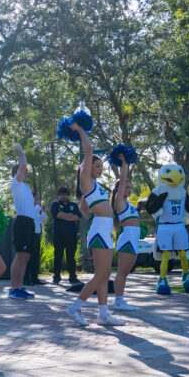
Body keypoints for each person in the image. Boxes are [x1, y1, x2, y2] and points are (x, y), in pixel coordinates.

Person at [66, 124, 125, 326]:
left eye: (101, 166)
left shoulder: (95, 186)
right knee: (100, 275)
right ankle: (75, 307)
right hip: (99, 230)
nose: (100, 169)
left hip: (103, 230)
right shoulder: (86, 181)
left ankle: (103, 314)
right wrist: (81, 130)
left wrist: (88, 214)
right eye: (97, 166)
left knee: (105, 274)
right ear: (86, 166)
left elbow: (83, 208)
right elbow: (89, 149)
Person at [110, 154, 139, 311]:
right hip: (127, 238)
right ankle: (118, 301)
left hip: (133, 240)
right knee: (121, 272)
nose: (129, 189)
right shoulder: (119, 201)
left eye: (130, 187)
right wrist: (123, 163)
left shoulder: (129, 203)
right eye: (126, 187)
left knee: (126, 272)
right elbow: (122, 180)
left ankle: (120, 299)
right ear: (119, 189)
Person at [8, 144, 36, 299]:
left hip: (30, 223)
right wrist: (20, 150)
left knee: (26, 257)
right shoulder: (16, 184)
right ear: (18, 172)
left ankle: (19, 287)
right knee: (19, 256)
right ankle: (13, 289)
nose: (25, 172)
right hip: (22, 223)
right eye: (23, 171)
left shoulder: (26, 187)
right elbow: (23, 165)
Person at [50, 187, 82, 284]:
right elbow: (58, 215)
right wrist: (70, 216)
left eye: (65, 194)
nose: (63, 196)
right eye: (61, 194)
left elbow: (77, 217)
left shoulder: (74, 205)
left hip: (72, 235)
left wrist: (64, 214)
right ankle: (56, 277)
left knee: (71, 257)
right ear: (58, 195)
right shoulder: (55, 204)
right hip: (58, 235)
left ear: (68, 195)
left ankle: (72, 277)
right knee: (58, 256)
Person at [24, 193, 47, 285]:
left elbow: (41, 221)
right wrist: (38, 207)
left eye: (38, 199)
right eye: (36, 199)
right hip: (30, 235)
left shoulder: (36, 210)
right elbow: (31, 216)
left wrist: (44, 212)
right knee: (28, 258)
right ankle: (26, 278)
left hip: (37, 235)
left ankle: (34, 277)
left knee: (35, 257)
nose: (38, 201)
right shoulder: (28, 209)